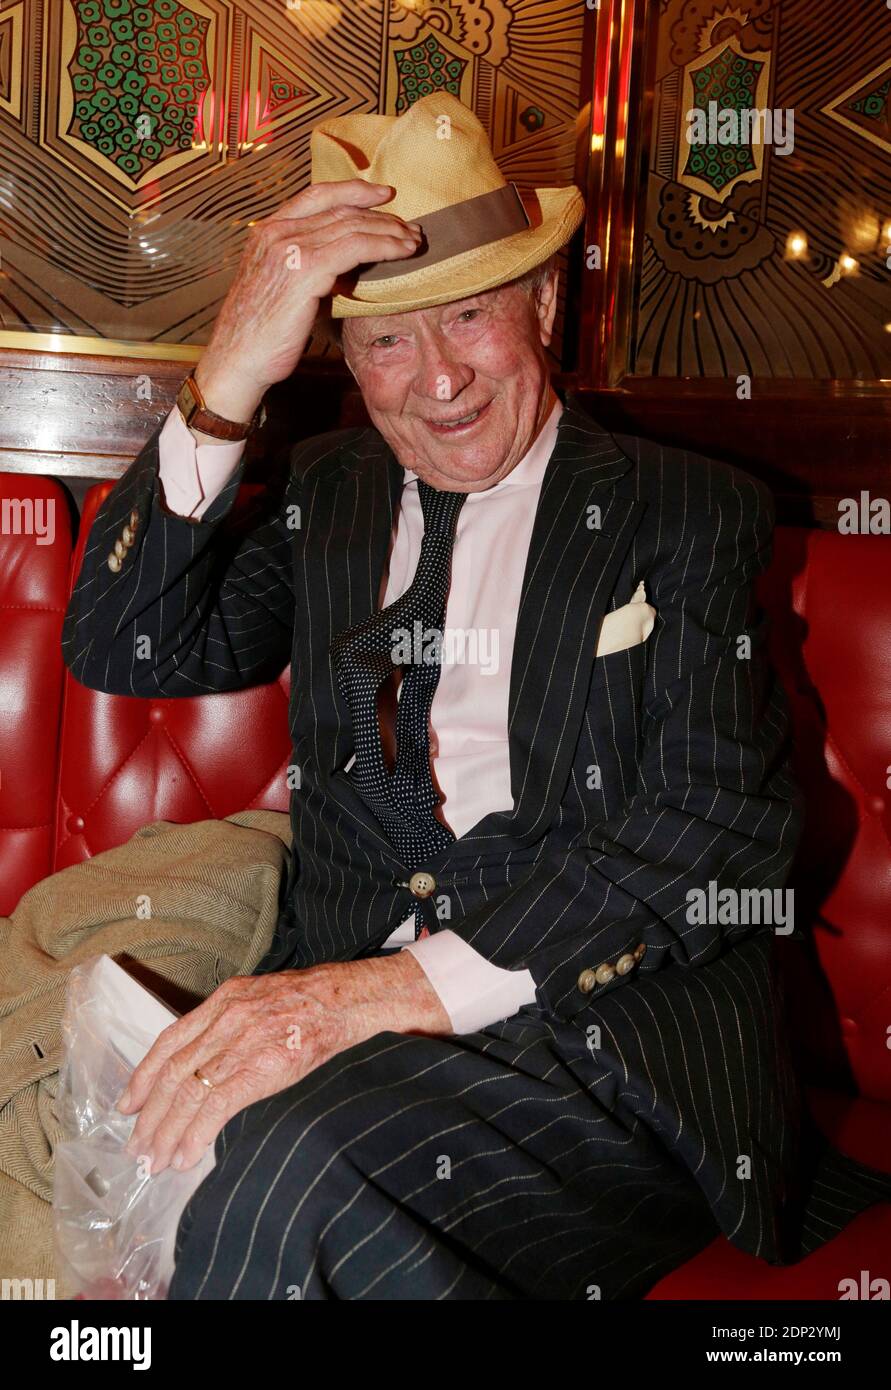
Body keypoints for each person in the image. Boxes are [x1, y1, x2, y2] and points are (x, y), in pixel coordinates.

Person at [62, 94, 891, 1300]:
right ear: (338, 353)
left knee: (283, 1173)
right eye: (387, 339)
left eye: (469, 316)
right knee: (147, 1118)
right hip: (347, 1028)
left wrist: (381, 998)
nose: (438, 380)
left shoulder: (681, 510)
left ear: (544, 305)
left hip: (600, 1042)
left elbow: (722, 823)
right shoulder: (330, 489)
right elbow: (127, 651)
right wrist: (231, 367)